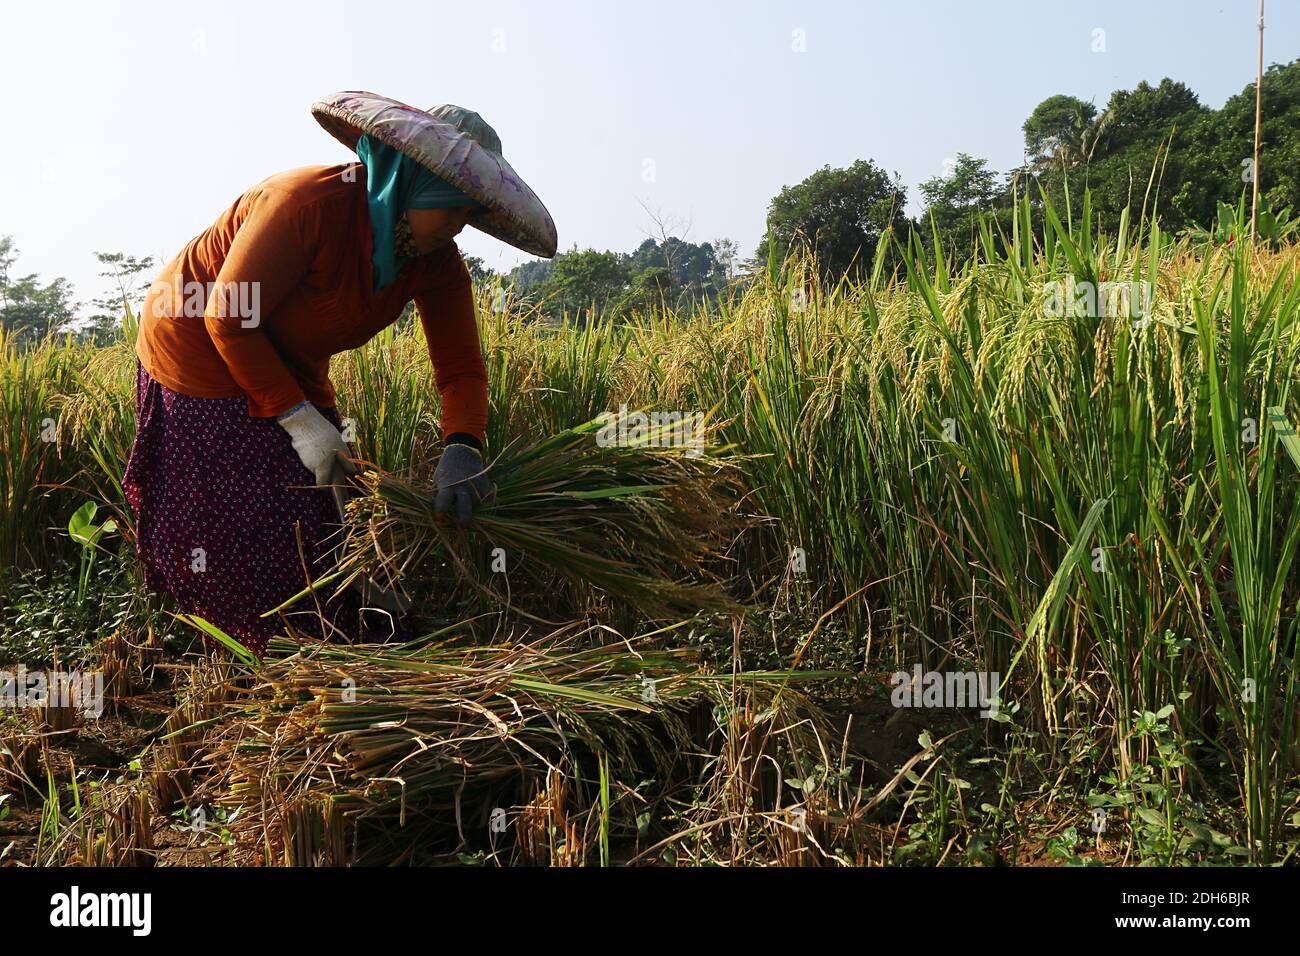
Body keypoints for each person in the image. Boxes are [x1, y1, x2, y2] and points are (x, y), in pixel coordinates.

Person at [123, 93, 557, 656]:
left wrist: (463, 446)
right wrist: (299, 421)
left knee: (325, 501)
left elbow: (460, 368)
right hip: (196, 338)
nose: (457, 225)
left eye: (468, 213)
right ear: (408, 182)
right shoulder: (305, 205)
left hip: (289, 357)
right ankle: (255, 645)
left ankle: (339, 614)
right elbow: (227, 317)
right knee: (246, 509)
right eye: (449, 205)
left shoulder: (435, 264)